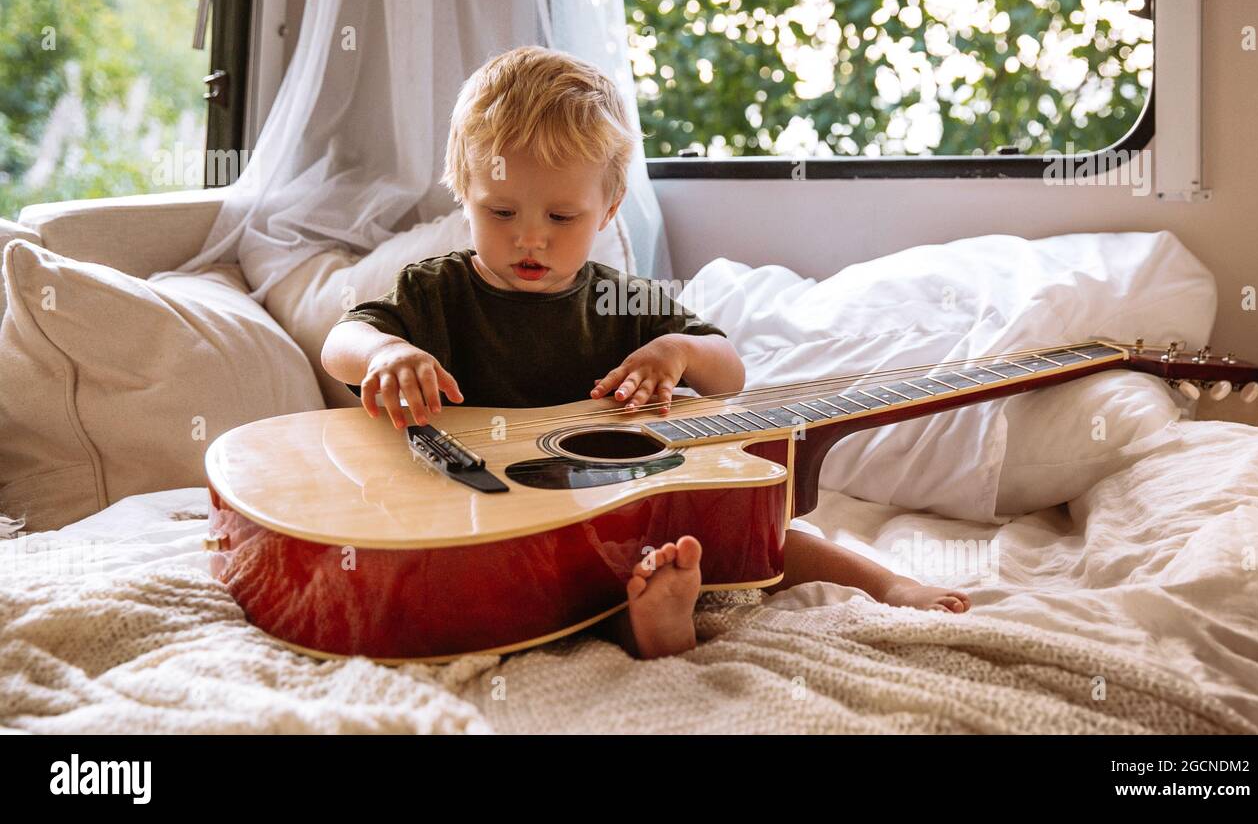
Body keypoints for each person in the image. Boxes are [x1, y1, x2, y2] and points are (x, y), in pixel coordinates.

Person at [320, 46, 970, 660]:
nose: (531, 239)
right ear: (462, 191)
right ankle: (642, 618)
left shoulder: (621, 302)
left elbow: (728, 371)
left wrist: (674, 351)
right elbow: (339, 344)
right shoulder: (436, 293)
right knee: (502, 587)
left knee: (762, 535)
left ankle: (887, 587)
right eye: (502, 211)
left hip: (611, 522)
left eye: (561, 218)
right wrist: (383, 353)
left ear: (608, 210)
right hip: (480, 521)